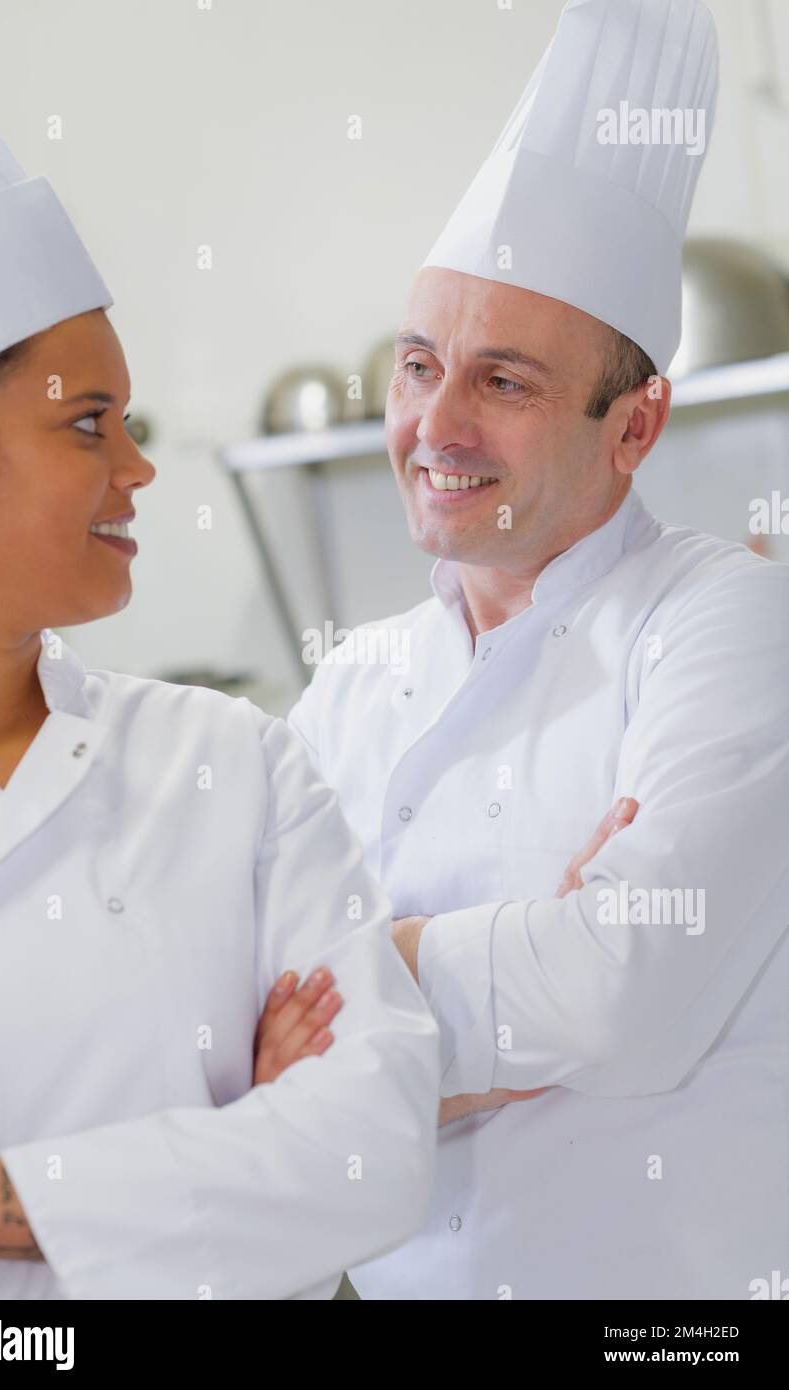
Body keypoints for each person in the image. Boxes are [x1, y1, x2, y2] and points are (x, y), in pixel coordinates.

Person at [288, 0, 789, 1298]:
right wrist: (544, 977)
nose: (431, 424)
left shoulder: (725, 618)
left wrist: (366, 998)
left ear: (633, 425)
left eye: (502, 381)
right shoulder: (347, 689)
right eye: (415, 366)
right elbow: (252, 1066)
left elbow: (627, 987)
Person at [0, 50, 440, 1300]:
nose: (140, 470)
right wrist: (223, 1160)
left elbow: (369, 1150)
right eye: (88, 423)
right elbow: (291, 1180)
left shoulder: (230, 763)